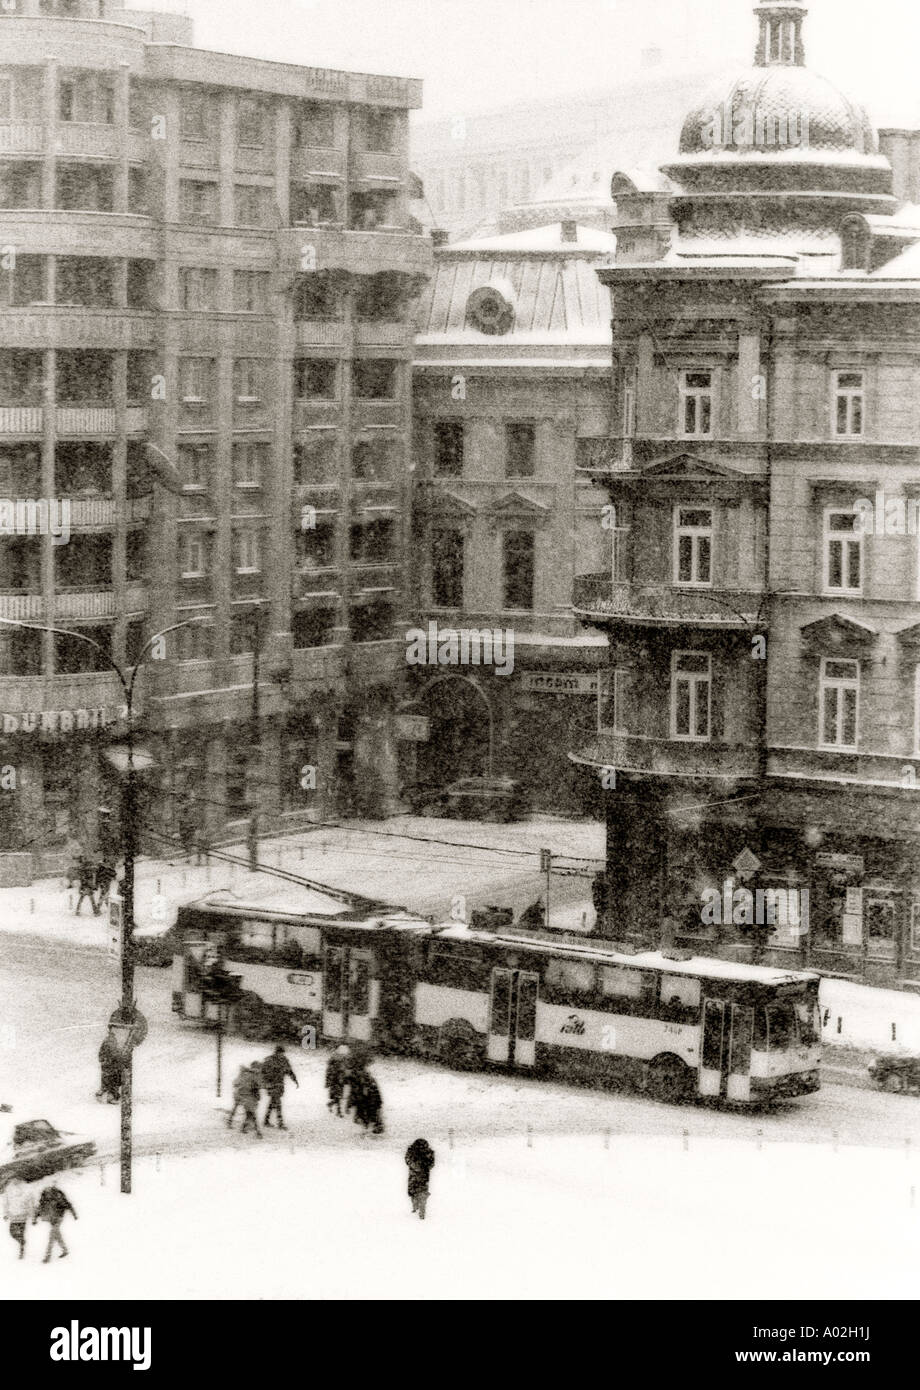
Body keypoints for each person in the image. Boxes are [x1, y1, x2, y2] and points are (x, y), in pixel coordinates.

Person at [34, 1184, 77, 1262]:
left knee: (51, 1237)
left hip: (58, 1219)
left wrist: (74, 1214)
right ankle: (65, 1250)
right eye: (47, 1194)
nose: (48, 1195)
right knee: (57, 1236)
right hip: (51, 1219)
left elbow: (68, 1205)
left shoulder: (58, 1197)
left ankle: (47, 1256)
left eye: (49, 1193)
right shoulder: (44, 1199)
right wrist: (34, 1219)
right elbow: (39, 1208)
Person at [261, 1045, 298, 1130]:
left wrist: (295, 1080)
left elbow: (289, 1071)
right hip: (272, 1085)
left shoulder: (284, 1060)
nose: (281, 1054)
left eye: (282, 1053)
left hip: (279, 1084)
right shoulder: (269, 1060)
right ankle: (280, 1123)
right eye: (280, 1053)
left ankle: (266, 1120)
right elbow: (262, 1072)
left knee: (273, 1102)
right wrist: (264, 1083)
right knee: (277, 1103)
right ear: (277, 1052)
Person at [3, 1177, 36, 1259]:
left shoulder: (26, 1191)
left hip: (22, 1217)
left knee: (20, 1234)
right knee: (13, 1233)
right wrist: (5, 1214)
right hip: (14, 1217)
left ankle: (21, 1251)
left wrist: (33, 1217)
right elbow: (6, 1204)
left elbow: (30, 1205)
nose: (15, 1183)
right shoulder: (9, 1191)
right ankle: (22, 1242)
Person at [404, 1138, 436, 1220]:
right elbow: (431, 1164)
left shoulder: (411, 1151)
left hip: (415, 1176)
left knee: (416, 1193)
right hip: (423, 1177)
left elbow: (408, 1161)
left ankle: (418, 1209)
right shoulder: (428, 1152)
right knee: (420, 1193)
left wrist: (416, 1167)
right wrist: (423, 1167)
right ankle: (419, 1208)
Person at [96, 1029, 121, 1104]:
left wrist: (101, 1059)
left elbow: (101, 1051)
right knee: (114, 1079)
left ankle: (102, 1092)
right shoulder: (112, 1041)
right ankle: (111, 1096)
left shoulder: (107, 1040)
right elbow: (114, 1053)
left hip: (107, 1063)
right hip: (111, 1063)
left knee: (106, 1078)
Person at [240, 1061, 263, 1138]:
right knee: (253, 1114)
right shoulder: (254, 1075)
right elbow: (256, 1086)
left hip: (246, 1097)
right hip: (251, 1097)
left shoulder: (247, 1074)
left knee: (249, 1114)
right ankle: (258, 1132)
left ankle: (244, 1127)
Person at [325, 1045, 350, 1116]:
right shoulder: (334, 1060)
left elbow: (345, 1071)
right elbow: (329, 1072)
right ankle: (339, 1112)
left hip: (339, 1081)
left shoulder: (343, 1060)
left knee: (338, 1096)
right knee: (338, 1096)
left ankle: (330, 1104)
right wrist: (328, 1081)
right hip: (335, 1081)